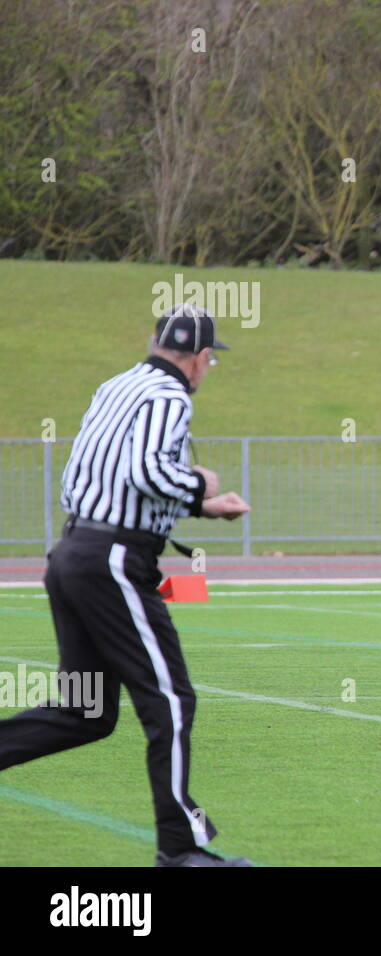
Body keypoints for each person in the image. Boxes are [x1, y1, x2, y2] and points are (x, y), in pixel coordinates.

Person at [0, 303, 252, 866]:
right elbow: (146, 472)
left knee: (83, 712)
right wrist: (199, 485)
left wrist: (201, 510)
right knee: (170, 700)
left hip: (72, 552)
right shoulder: (170, 396)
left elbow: (94, 475)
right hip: (112, 561)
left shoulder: (115, 386)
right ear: (201, 358)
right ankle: (180, 850)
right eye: (210, 360)